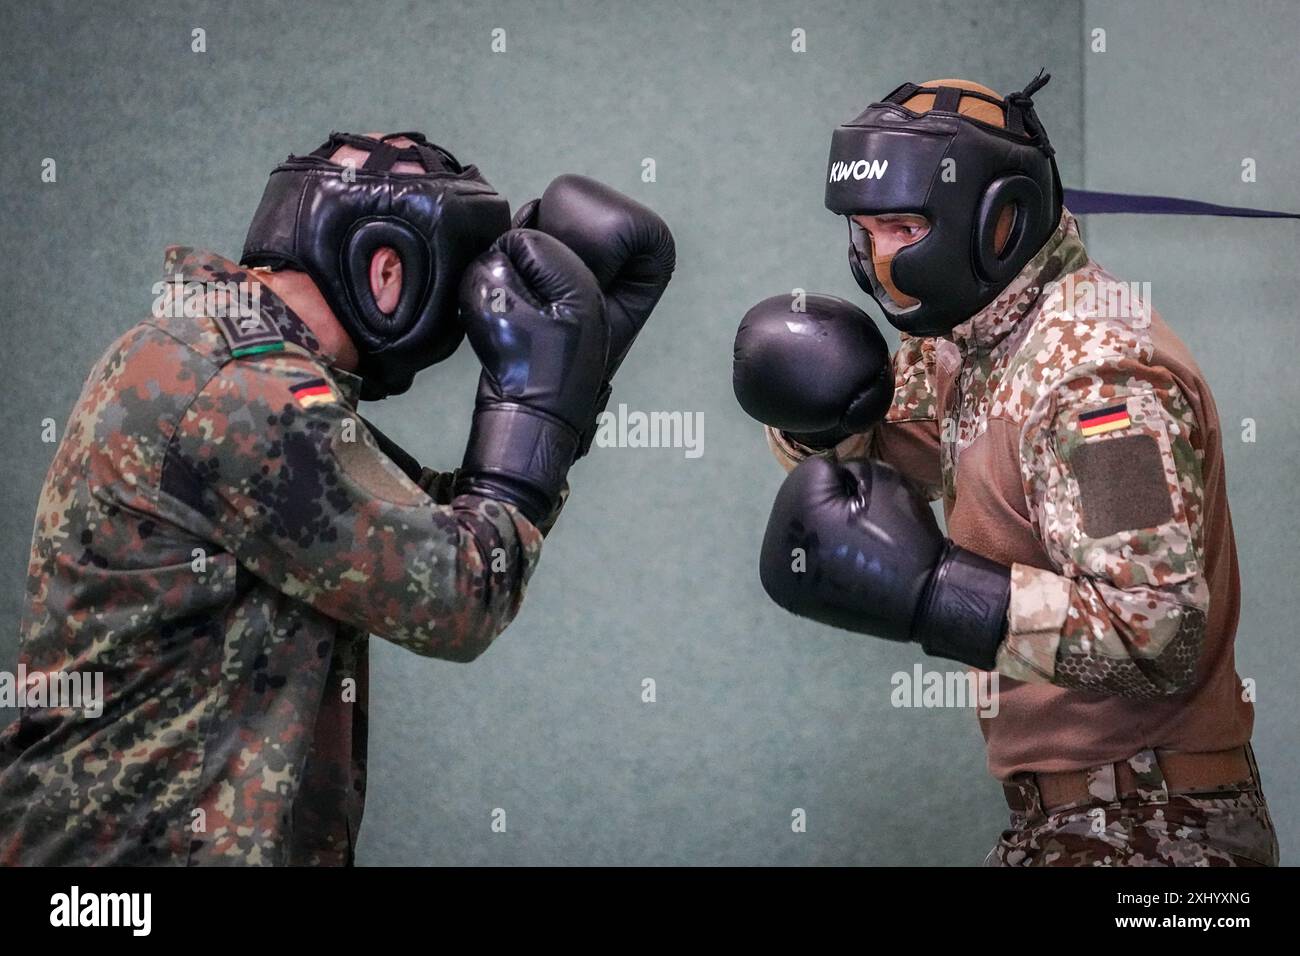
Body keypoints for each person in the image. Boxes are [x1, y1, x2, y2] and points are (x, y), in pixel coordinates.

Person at [0, 131, 674, 865]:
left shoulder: (210, 357)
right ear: (388, 269)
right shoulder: (242, 391)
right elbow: (456, 589)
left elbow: (415, 522)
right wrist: (538, 406)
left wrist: (568, 384)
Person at [733, 76, 1279, 866]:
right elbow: (884, 446)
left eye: (903, 225)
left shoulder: (1100, 378)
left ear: (996, 219)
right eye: (865, 231)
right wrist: (816, 420)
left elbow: (1155, 630)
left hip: (1158, 827)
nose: (881, 261)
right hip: (1067, 822)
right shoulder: (967, 347)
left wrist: (938, 595)